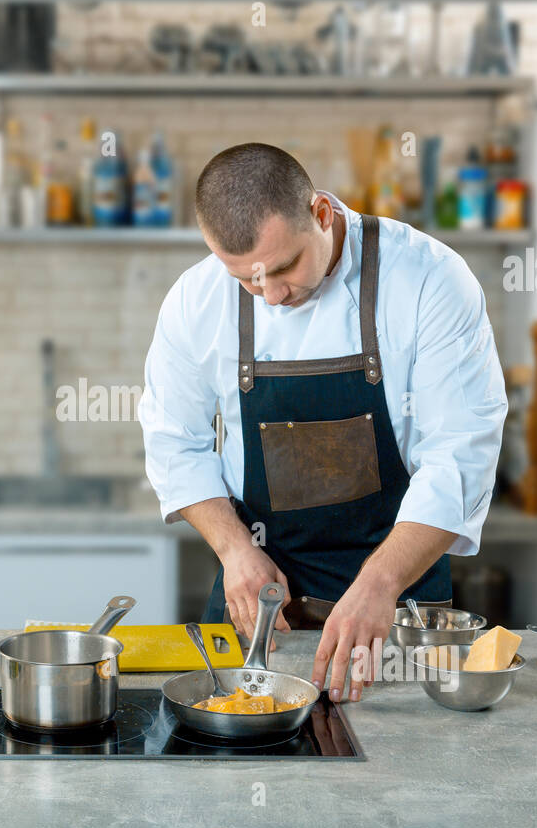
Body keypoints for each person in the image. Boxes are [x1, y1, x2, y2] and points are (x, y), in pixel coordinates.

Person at [138, 143, 507, 704]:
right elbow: (174, 443)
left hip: (398, 604)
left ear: (322, 214)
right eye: (247, 281)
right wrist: (235, 551)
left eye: (285, 268)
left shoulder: (429, 279)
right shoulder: (196, 298)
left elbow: (460, 452)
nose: (272, 295)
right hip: (262, 609)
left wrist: (380, 584)